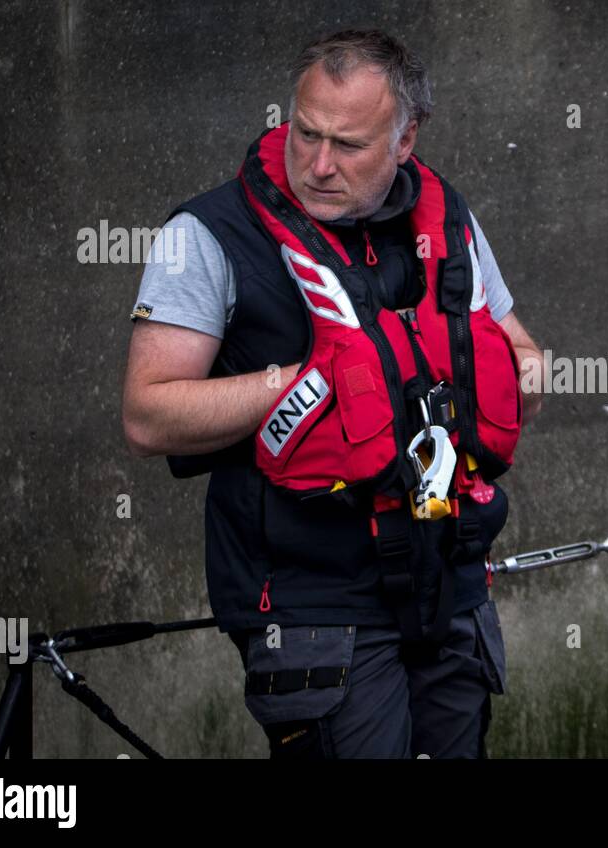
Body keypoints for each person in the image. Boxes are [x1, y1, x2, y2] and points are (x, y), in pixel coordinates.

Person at [121, 28, 543, 758]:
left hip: (450, 585)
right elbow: (148, 413)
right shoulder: (206, 235)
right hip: (309, 607)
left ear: (407, 138)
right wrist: (298, 387)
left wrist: (499, 382)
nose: (318, 164)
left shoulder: (448, 221)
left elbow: (525, 355)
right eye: (304, 132)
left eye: (348, 145)